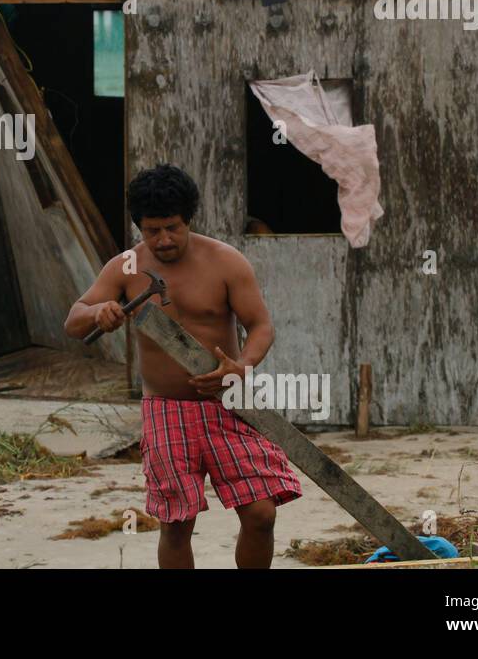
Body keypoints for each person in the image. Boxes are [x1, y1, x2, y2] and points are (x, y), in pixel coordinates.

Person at [64, 163, 301, 568]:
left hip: (228, 404)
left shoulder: (226, 262)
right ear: (139, 225)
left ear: (188, 219)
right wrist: (99, 312)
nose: (164, 239)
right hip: (166, 411)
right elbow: (74, 319)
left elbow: (260, 325)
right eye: (152, 230)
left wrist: (242, 365)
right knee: (176, 523)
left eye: (172, 227)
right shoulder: (125, 267)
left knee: (262, 514)